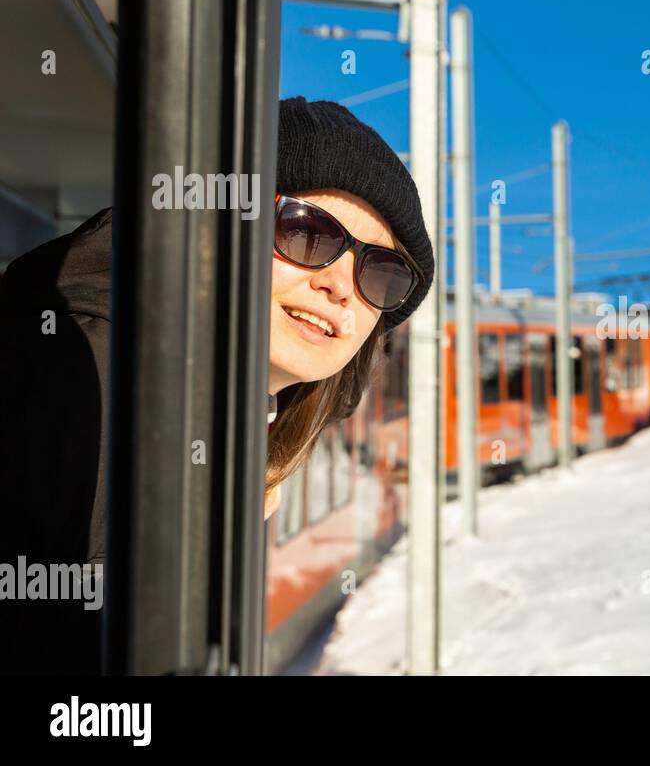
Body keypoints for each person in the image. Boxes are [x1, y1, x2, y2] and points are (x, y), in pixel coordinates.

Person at [0, 97, 435, 674]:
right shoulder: (97, 386)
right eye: (308, 233)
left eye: (381, 271)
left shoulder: (230, 415)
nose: (338, 284)